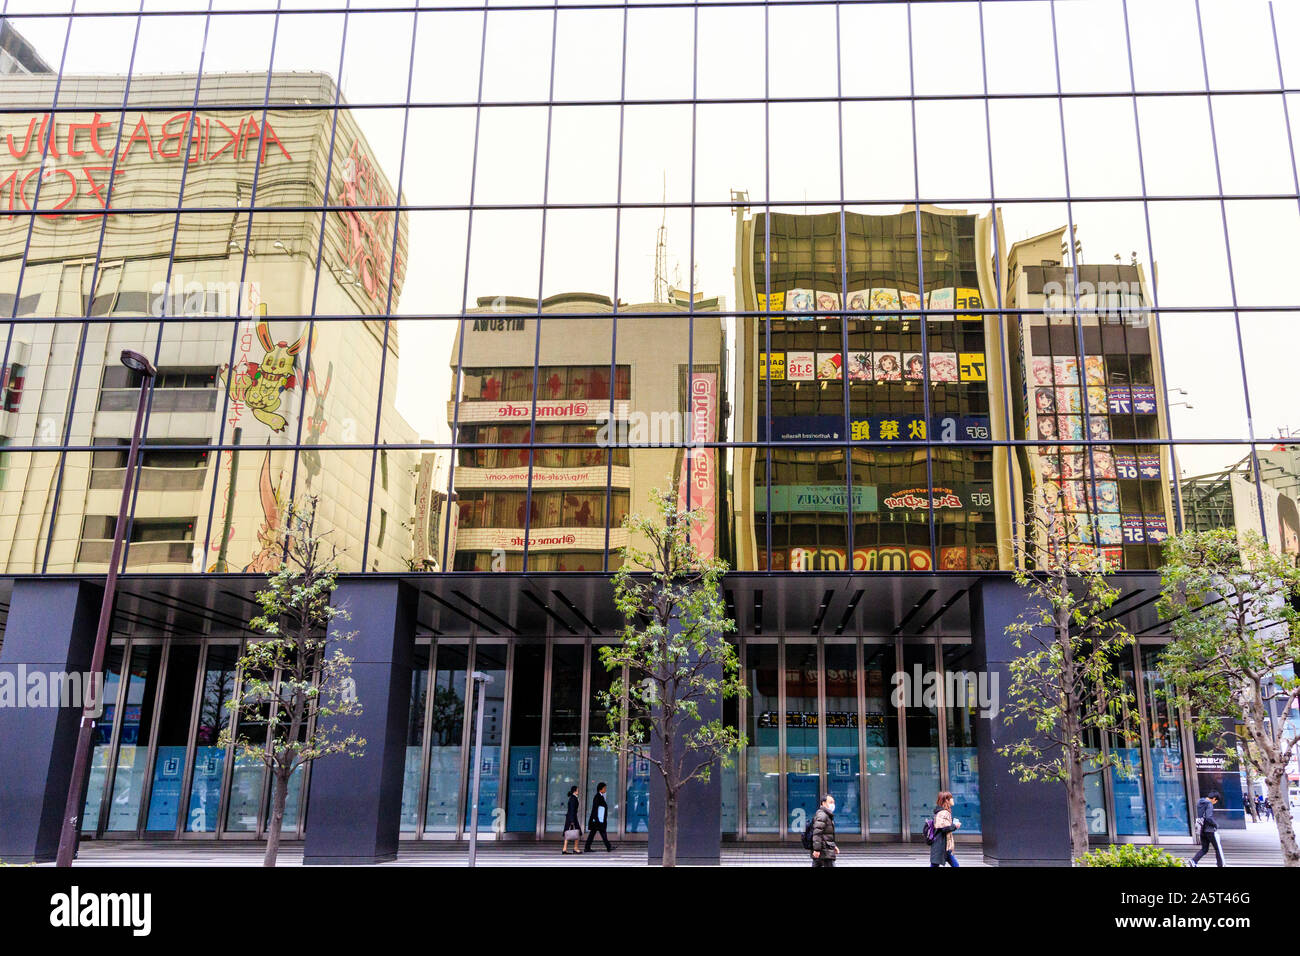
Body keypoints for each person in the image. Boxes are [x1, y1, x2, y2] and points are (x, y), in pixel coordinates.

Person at [1191, 791, 1225, 867]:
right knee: (1217, 848)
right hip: (1209, 829)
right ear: (1214, 799)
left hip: (1201, 829)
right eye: (1215, 801)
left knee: (1204, 849)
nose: (1214, 803)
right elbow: (1208, 817)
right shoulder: (1209, 803)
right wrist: (1215, 824)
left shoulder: (1200, 802)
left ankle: (1194, 861)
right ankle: (1220, 864)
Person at [929, 790, 961, 868]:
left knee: (936, 864)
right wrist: (955, 826)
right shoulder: (943, 812)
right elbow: (943, 828)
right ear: (947, 800)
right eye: (951, 798)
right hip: (941, 845)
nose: (953, 800)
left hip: (944, 845)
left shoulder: (943, 812)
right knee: (954, 865)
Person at [811, 794, 838, 868]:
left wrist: (834, 846)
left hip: (825, 849)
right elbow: (817, 833)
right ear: (823, 803)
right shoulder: (822, 815)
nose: (833, 804)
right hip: (824, 851)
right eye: (830, 802)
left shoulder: (827, 815)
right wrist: (816, 849)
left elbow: (826, 835)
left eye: (833, 802)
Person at [585, 782, 613, 852]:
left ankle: (587, 847)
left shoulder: (600, 796)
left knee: (594, 833)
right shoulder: (597, 796)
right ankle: (608, 847)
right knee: (601, 833)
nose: (605, 789)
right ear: (600, 789)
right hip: (597, 820)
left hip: (597, 819)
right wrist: (596, 819)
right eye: (604, 788)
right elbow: (595, 808)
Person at [562, 784, 583, 855]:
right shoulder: (573, 798)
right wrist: (572, 821)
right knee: (577, 832)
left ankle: (565, 849)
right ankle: (575, 848)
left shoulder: (573, 798)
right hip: (572, 817)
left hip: (571, 817)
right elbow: (572, 810)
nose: (578, 791)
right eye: (577, 790)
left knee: (568, 832)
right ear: (575, 791)